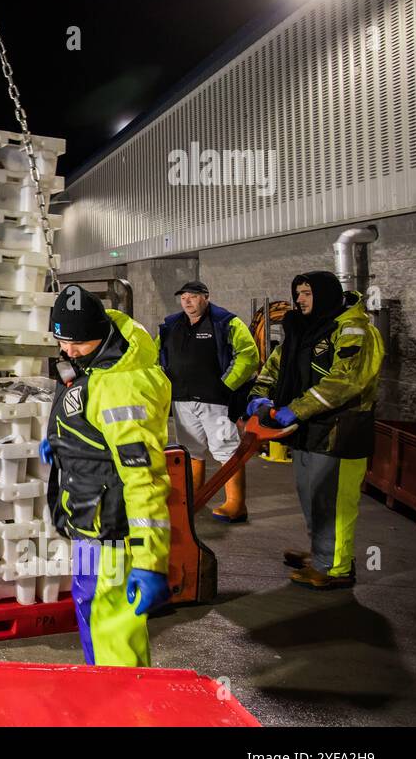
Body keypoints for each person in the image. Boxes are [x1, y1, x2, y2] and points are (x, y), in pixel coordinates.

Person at [39, 285, 173, 667]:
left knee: (112, 630)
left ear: (98, 332)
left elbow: (144, 481)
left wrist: (150, 562)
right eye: (61, 340)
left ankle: (125, 708)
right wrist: (65, 443)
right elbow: (91, 420)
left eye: (76, 342)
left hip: (110, 533)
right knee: (90, 606)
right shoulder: (98, 360)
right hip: (88, 522)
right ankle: (103, 693)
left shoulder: (123, 386)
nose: (67, 351)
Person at [247, 271, 383, 590]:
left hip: (340, 430)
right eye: (298, 293)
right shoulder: (303, 328)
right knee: (313, 498)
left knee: (333, 503)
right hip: (307, 429)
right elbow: (275, 367)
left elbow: (345, 381)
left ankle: (334, 569)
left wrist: (296, 409)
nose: (300, 300)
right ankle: (322, 555)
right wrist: (259, 398)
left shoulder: (354, 330)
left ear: (324, 294)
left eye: (307, 293)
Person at [155, 280, 260, 523]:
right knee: (191, 450)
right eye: (183, 297)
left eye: (192, 296)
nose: (187, 301)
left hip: (216, 401)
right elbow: (155, 356)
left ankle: (236, 504)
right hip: (181, 399)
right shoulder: (171, 325)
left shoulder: (226, 323)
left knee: (226, 449)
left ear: (206, 297)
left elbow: (248, 354)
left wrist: (226, 385)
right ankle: (195, 497)